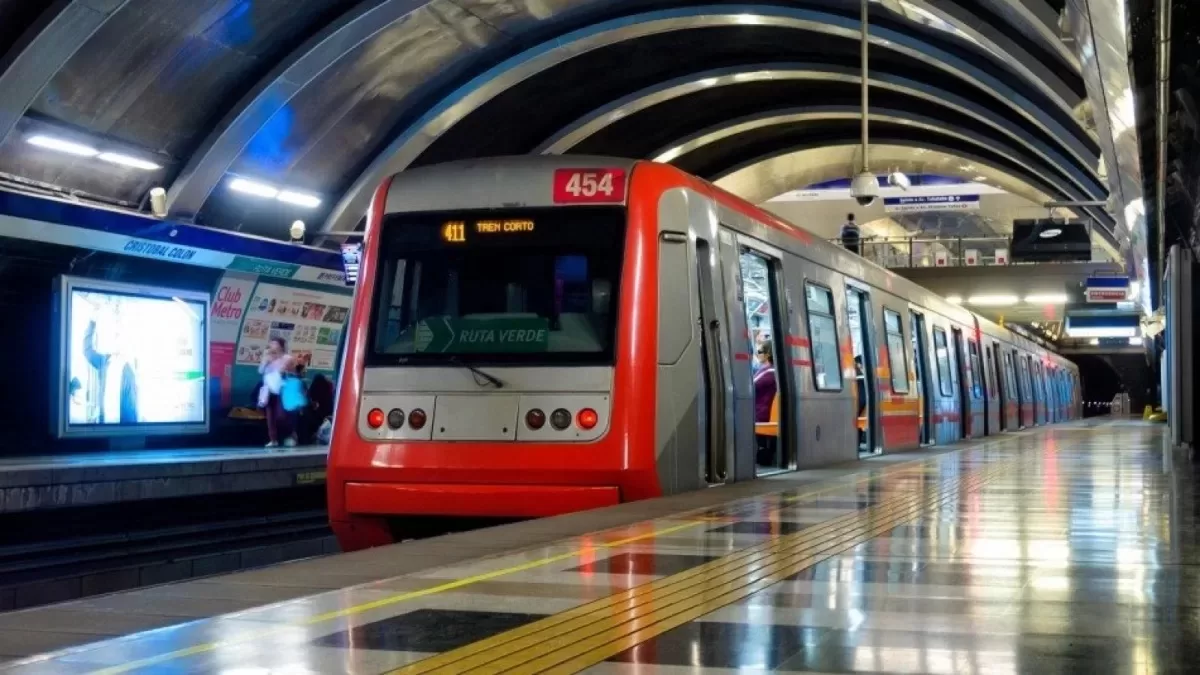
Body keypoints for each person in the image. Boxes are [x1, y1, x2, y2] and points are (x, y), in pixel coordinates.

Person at [259, 338, 297, 447]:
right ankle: (273, 439)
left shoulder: (287, 358)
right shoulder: (267, 358)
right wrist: (266, 361)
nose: (272, 346)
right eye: (270, 344)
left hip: (282, 389)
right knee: (270, 416)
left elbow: (289, 371)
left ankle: (291, 435)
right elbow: (261, 371)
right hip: (269, 389)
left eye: (274, 344)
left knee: (282, 415)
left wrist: (281, 368)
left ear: (281, 346)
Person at [753, 342, 777, 423]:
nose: (757, 354)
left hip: (759, 416)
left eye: (760, 352)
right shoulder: (768, 370)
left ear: (768, 354)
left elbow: (751, 387)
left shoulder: (769, 372)